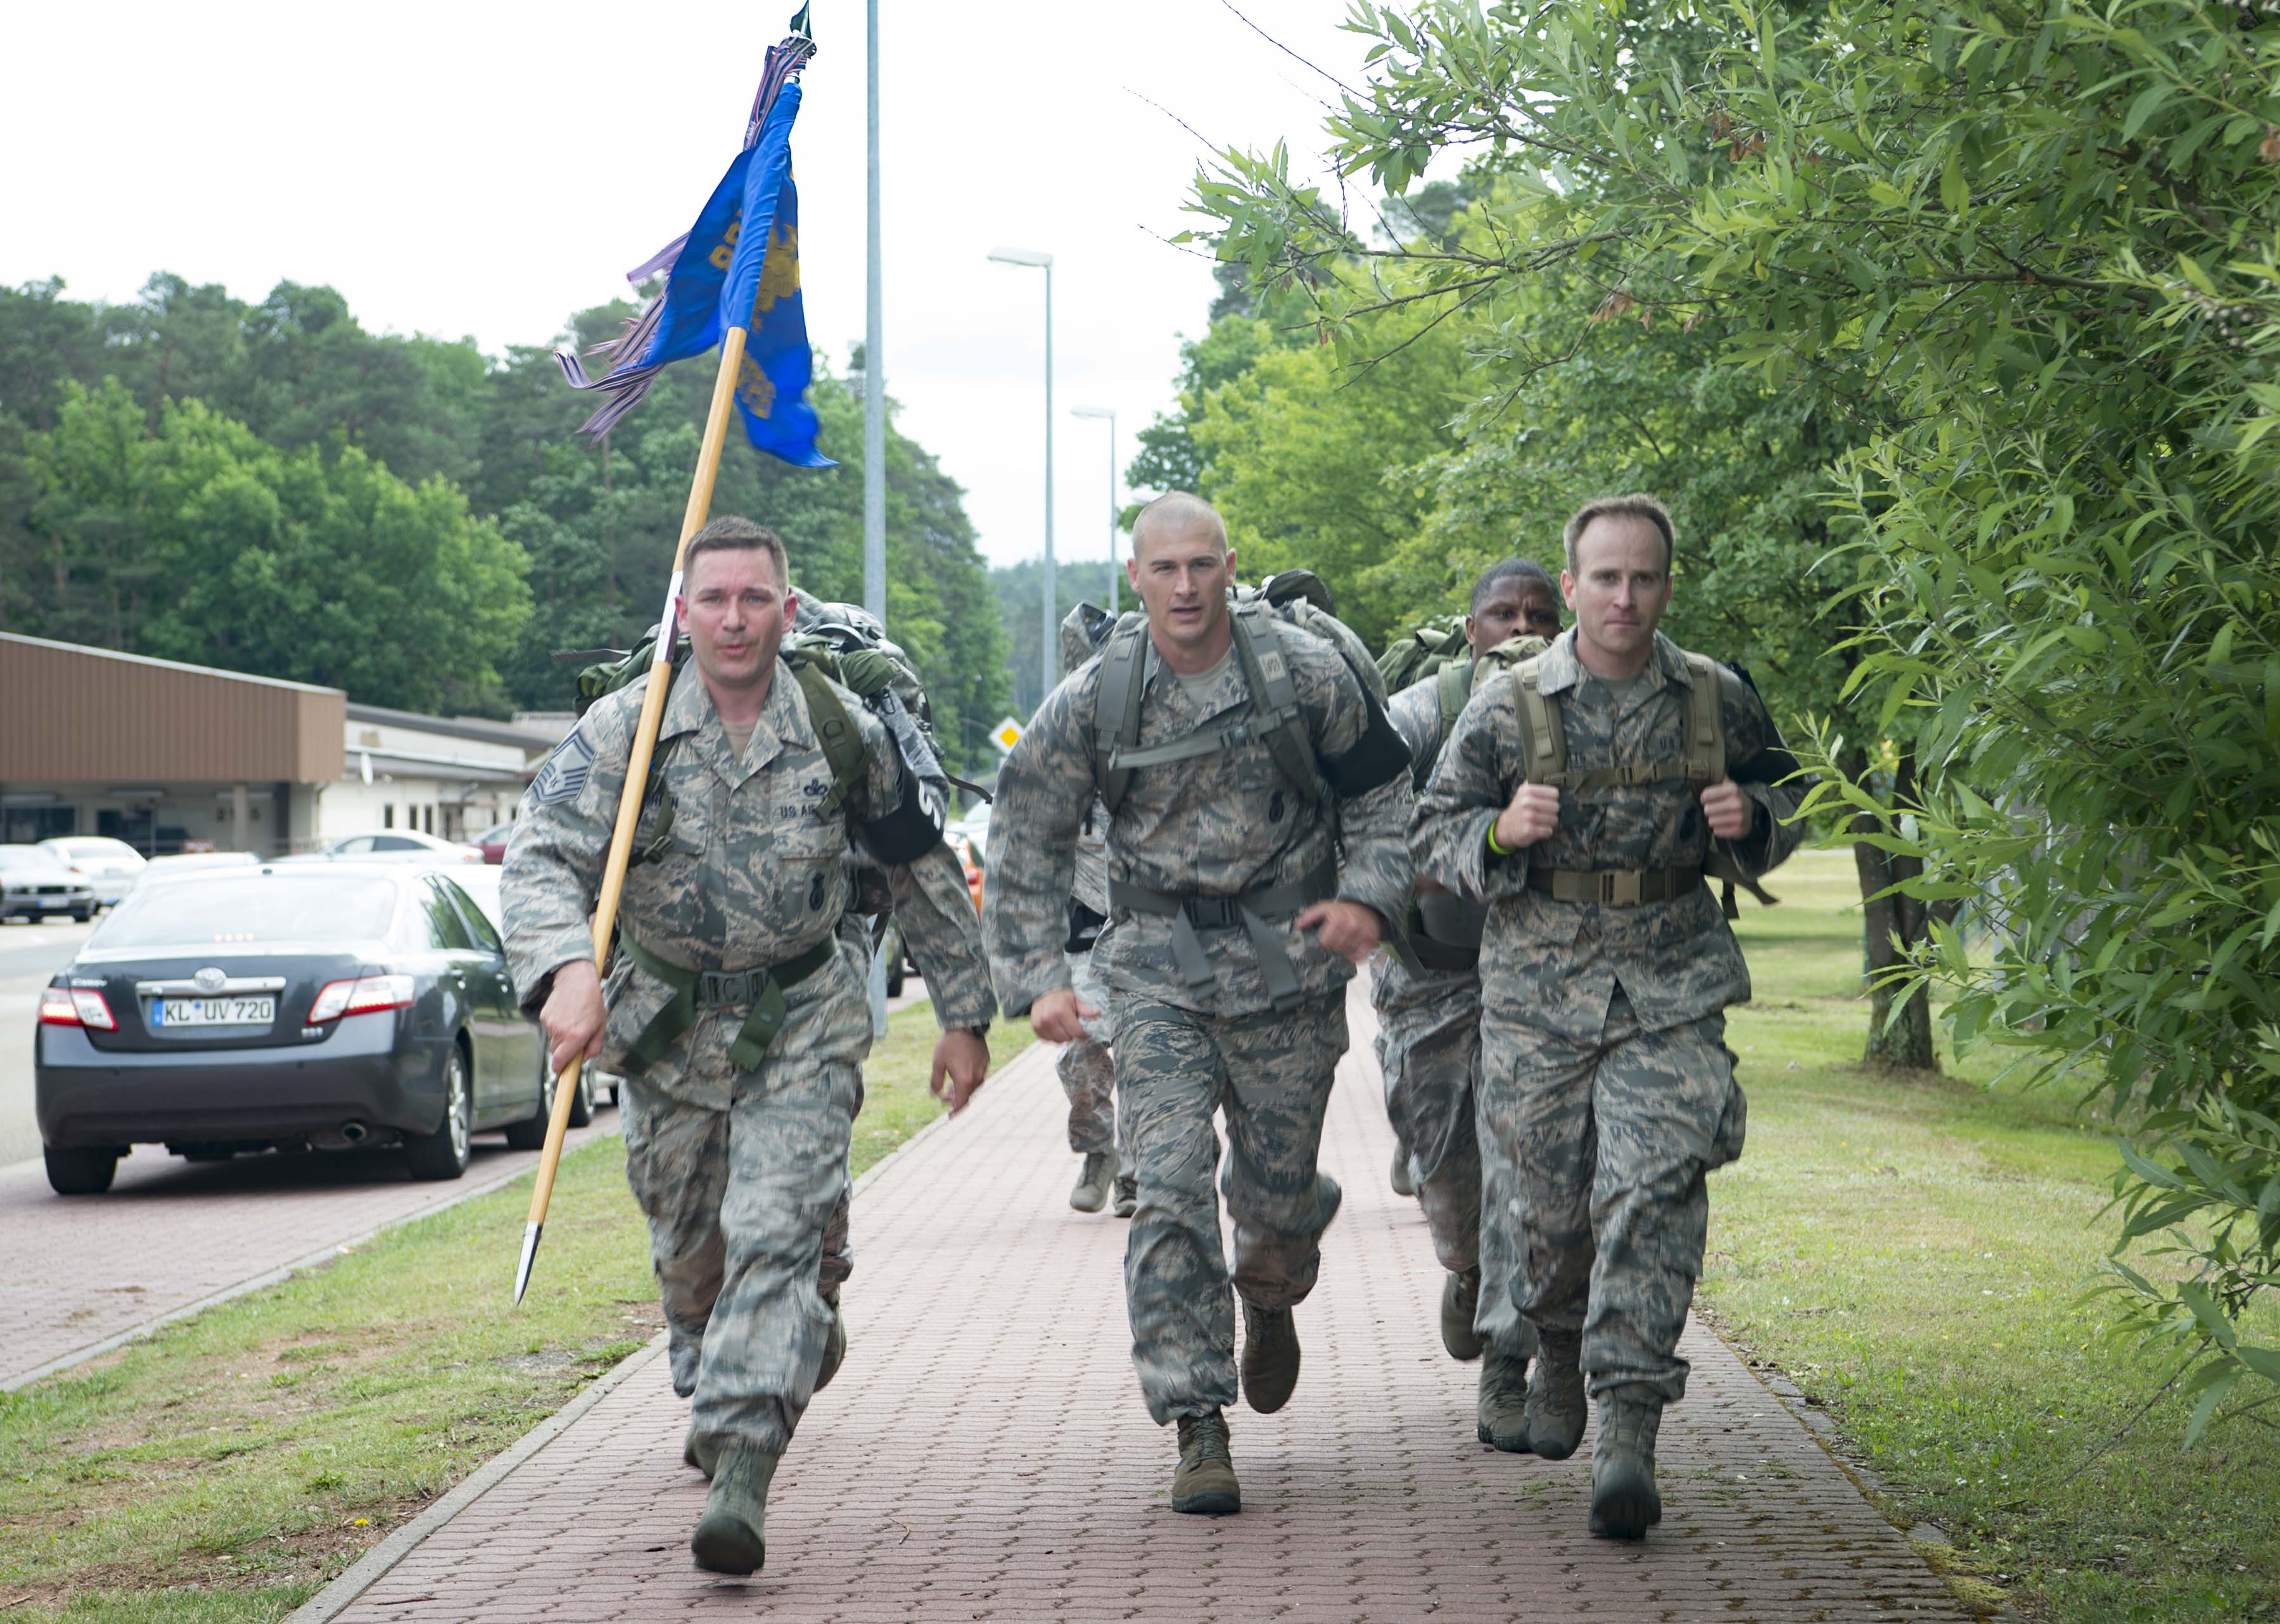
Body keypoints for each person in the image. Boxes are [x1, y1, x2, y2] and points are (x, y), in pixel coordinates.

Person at [502, 517, 995, 1576]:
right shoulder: (624, 727)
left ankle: (739, 1458)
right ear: (683, 611)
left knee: (773, 1229)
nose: (732, 618)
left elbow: (915, 867)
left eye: (753, 598)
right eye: (713, 598)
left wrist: (962, 1010)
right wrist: (564, 969)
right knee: (691, 1258)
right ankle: (744, 1352)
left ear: (786, 607)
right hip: (663, 1021)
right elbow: (540, 855)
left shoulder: (838, 722)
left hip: (802, 1014)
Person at [983, 492, 1413, 1516]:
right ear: (1134, 577)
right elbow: (1025, 823)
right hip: (1155, 969)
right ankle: (1196, 1419)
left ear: (1229, 566)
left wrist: (1368, 896)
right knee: (1167, 1183)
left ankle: (1270, 1292)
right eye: (1162, 567)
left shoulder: (1304, 672)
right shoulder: (1098, 695)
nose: (1183, 585)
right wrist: (1036, 972)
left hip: (1288, 971)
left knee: (1268, 1207)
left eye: (1200, 565)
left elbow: (1383, 795)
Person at [1413, 494, 1802, 1540]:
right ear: (1571, 586)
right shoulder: (1506, 707)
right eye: (1604, 577)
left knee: (1649, 1188)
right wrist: (1496, 831)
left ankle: (1627, 1422)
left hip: (1668, 986)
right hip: (1538, 993)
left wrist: (1752, 818)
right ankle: (1553, 1341)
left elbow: (1790, 796)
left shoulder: (1713, 696)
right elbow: (1432, 833)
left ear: (1665, 586)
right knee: (1543, 1212)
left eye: (1643, 577)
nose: (1623, 595)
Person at [1371, 558, 1562, 1453]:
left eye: (1537, 612)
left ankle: (1505, 1359)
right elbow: (1361, 817)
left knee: (1522, 1162)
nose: (1520, 625)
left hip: (1539, 972)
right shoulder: (1424, 710)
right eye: (1502, 612)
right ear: (1469, 623)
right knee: (1445, 1158)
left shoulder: (1584, 705)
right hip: (1428, 970)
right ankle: (1465, 1265)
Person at [1056, 609, 1136, 1218]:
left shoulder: (1157, 729)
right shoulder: (1058, 741)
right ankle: (1098, 1150)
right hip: (1084, 932)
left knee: (1148, 1051)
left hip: (1152, 926)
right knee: (1082, 1056)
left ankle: (1138, 1174)